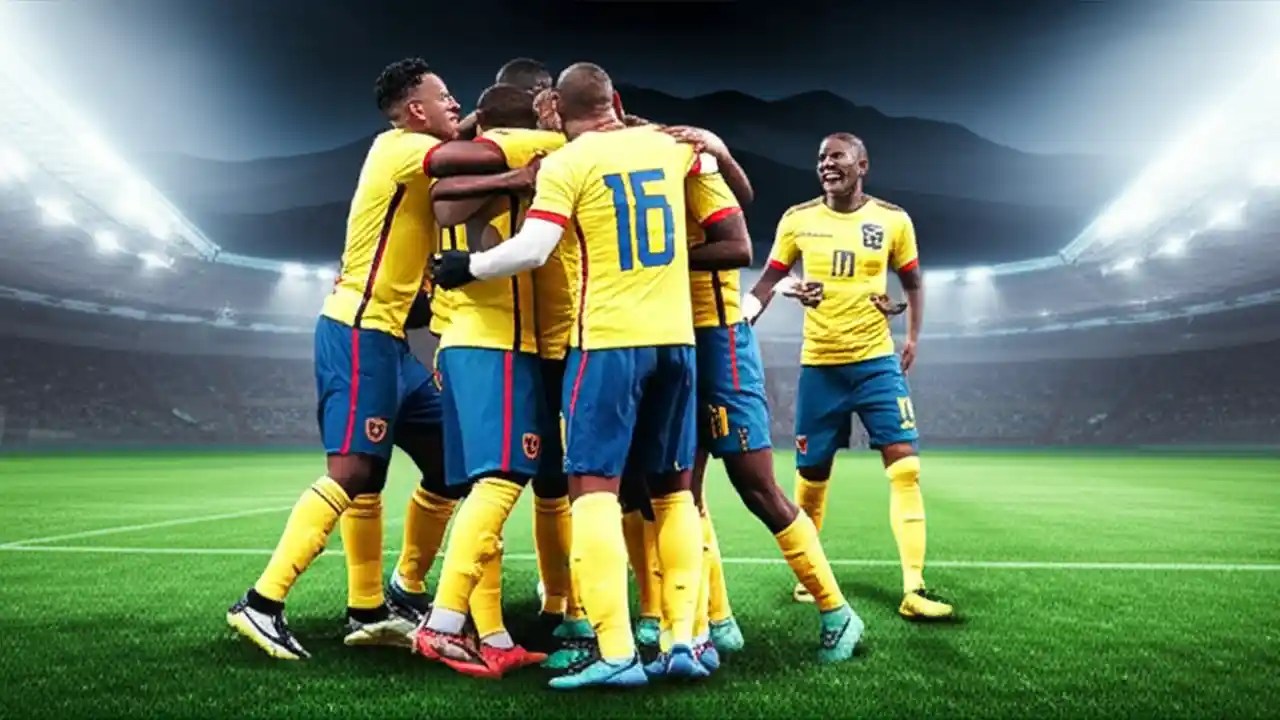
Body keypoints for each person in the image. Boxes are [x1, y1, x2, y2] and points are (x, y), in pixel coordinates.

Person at [430, 62, 739, 690]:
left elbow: (534, 249)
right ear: (616, 100)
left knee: (592, 489)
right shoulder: (670, 146)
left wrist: (470, 265)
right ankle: (686, 638)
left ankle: (617, 650)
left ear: (558, 115)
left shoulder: (570, 162)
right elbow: (732, 211)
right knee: (675, 492)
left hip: (605, 342)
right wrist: (716, 146)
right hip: (677, 340)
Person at [226, 58, 465, 660]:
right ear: (416, 110)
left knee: (447, 463)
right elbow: (470, 157)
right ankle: (261, 603)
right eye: (445, 97)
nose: (454, 105)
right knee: (354, 470)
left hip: (392, 345)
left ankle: (378, 605)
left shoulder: (412, 158)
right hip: (357, 333)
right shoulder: (400, 147)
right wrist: (525, 149)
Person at [746, 132, 954, 621]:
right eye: (820, 158)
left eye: (836, 156)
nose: (826, 164)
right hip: (820, 366)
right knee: (811, 478)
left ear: (862, 164)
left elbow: (913, 281)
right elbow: (772, 278)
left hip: (875, 362)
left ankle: (914, 588)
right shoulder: (798, 220)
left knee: (905, 466)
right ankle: (810, 578)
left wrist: (912, 336)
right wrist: (780, 296)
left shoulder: (892, 220)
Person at [410, 83, 565, 679]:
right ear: (532, 108)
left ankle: (493, 632)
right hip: (499, 341)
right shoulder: (530, 144)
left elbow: (445, 199)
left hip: (462, 340)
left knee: (483, 488)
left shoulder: (467, 158)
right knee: (502, 481)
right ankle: (443, 623)